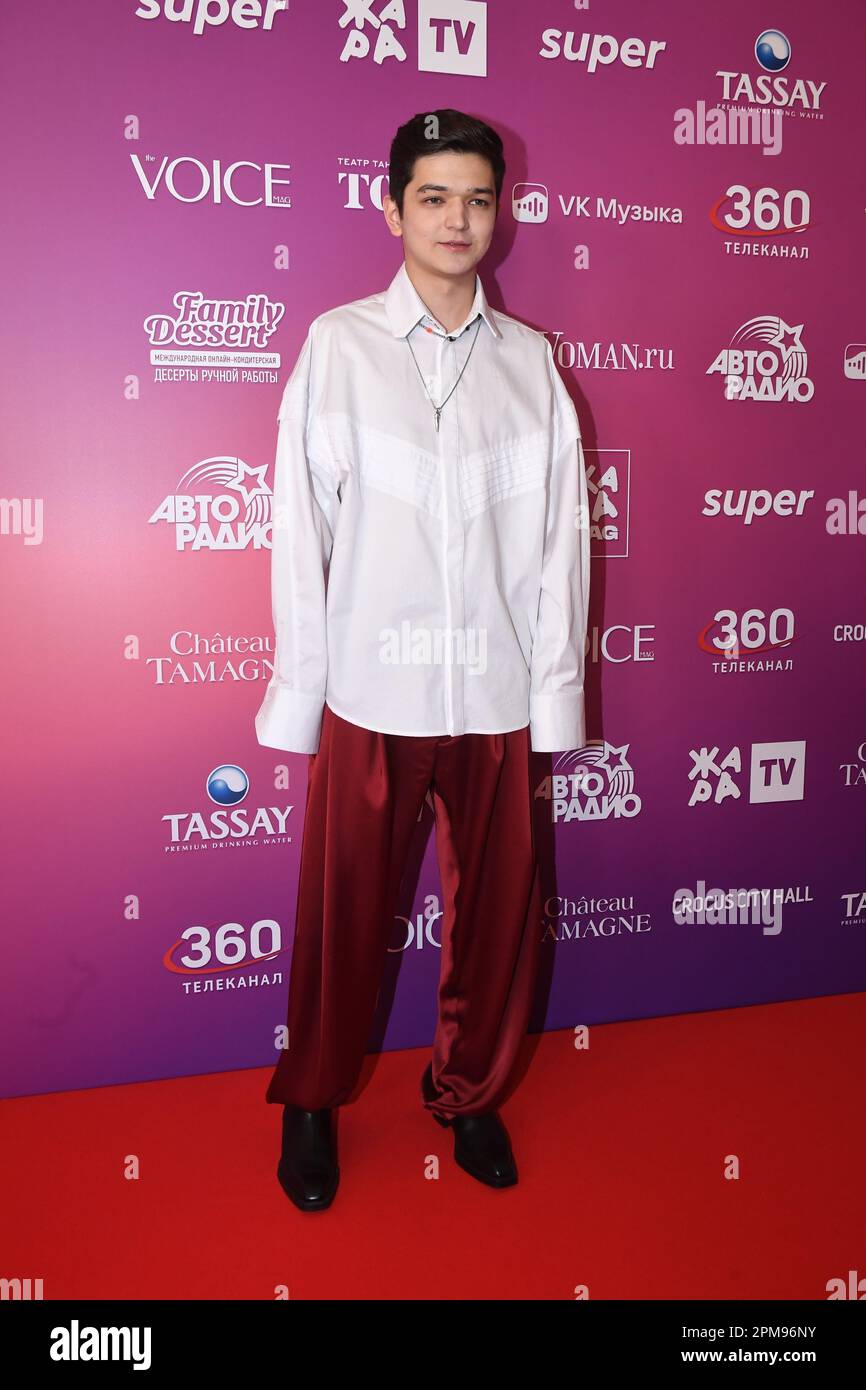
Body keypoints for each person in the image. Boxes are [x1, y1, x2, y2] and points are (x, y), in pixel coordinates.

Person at [255, 108, 590, 1211]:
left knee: (497, 916)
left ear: (501, 213)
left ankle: (469, 1091)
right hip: (369, 686)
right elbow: (298, 534)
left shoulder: (532, 366)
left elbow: (557, 548)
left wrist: (550, 703)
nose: (457, 219)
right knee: (341, 911)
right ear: (390, 206)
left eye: (478, 199)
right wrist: (302, 694)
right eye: (434, 197)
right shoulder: (337, 346)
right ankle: (311, 1097)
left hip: (491, 692)